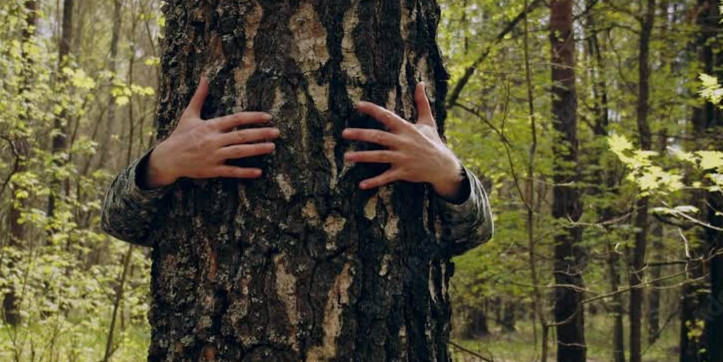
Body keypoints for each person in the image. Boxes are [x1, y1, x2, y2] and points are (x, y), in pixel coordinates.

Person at [101, 75, 493, 255]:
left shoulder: (427, 166)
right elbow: (119, 222)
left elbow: (473, 235)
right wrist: (160, 165)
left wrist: (448, 172)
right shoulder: (175, 166)